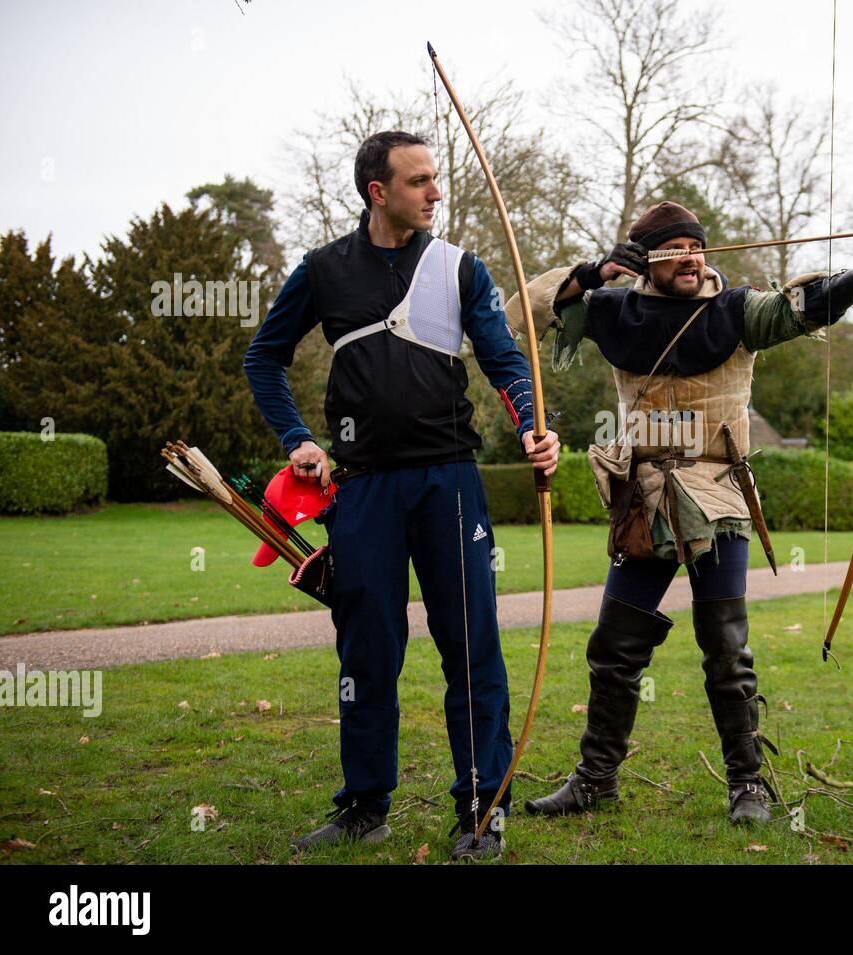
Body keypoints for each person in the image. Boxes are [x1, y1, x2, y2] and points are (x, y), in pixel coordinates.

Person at [505, 200, 853, 824]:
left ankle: (747, 783)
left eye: (696, 247)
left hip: (718, 494)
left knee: (726, 646)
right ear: (649, 261)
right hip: (643, 497)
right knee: (615, 646)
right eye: (675, 251)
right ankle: (595, 780)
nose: (692, 258)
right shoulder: (610, 308)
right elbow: (517, 317)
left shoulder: (737, 311)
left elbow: (806, 307)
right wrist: (591, 273)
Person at [243, 130, 560, 860]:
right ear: (376, 191)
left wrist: (533, 426)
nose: (435, 192)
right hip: (361, 490)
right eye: (418, 181)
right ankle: (363, 805)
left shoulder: (459, 269)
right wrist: (298, 437)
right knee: (366, 651)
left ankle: (482, 807)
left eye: (436, 178)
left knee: (471, 645)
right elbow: (264, 356)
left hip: (449, 482)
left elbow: (505, 359)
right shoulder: (323, 270)